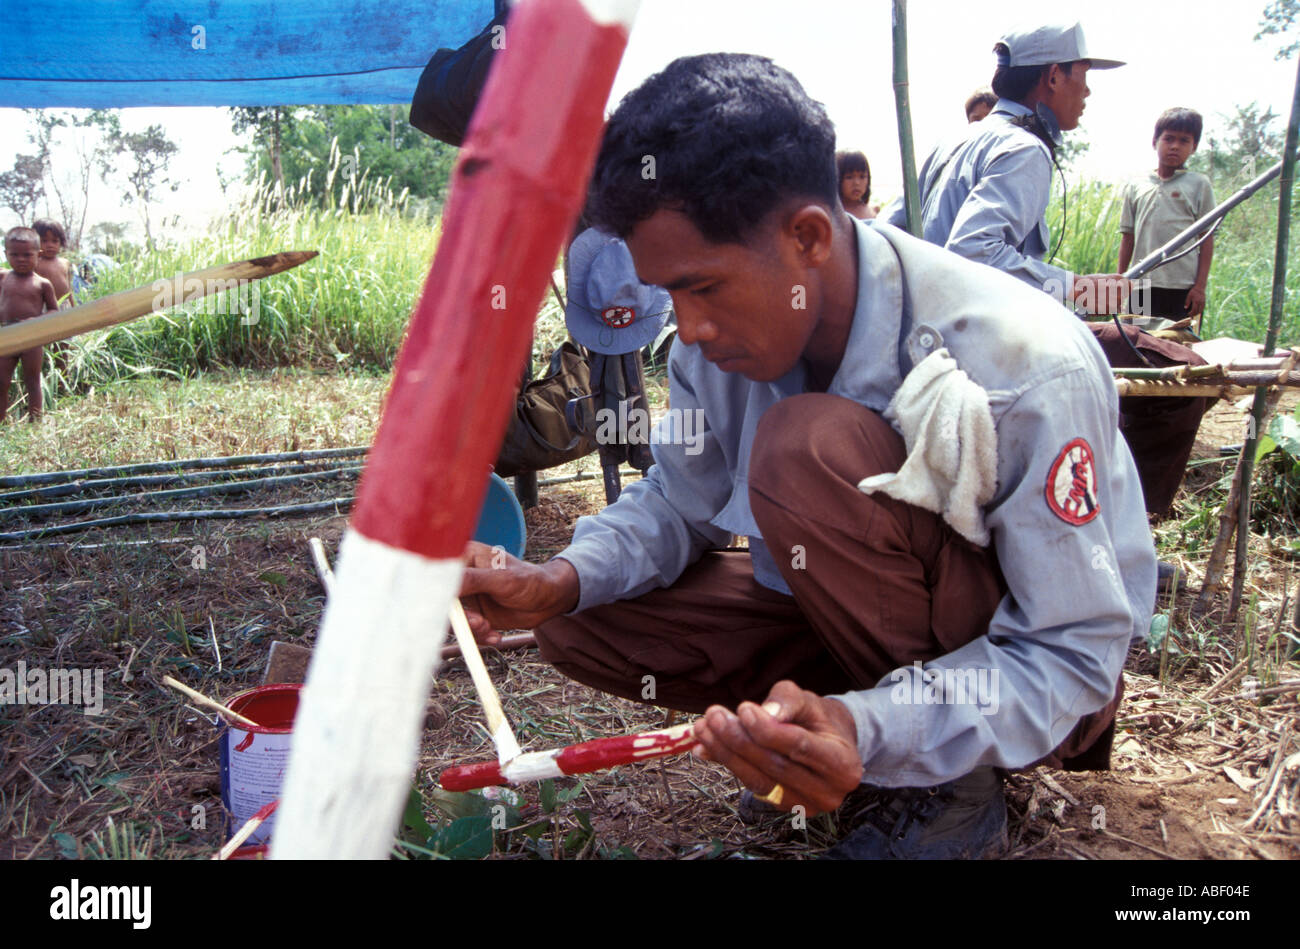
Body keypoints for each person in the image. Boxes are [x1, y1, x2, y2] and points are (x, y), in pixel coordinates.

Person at [459, 53, 1154, 860]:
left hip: (1026, 665)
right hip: (855, 621)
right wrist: (558, 579)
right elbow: (678, 501)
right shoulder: (709, 347)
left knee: (802, 450)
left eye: (703, 287)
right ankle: (820, 729)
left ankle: (938, 781)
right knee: (581, 619)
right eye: (668, 295)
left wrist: (876, 726)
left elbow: (1072, 651)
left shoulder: (1023, 360)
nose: (685, 329)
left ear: (808, 237)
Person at [892, 22, 1211, 533]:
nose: (1087, 91)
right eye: (1083, 74)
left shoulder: (955, 140)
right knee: (1178, 377)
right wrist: (1078, 288)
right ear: (1054, 76)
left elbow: (890, 231)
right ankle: (1123, 534)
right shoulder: (1024, 150)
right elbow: (974, 252)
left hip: (929, 331)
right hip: (985, 338)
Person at [1118, 109, 1215, 323]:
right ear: (1155, 141)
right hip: (1141, 283)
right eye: (1168, 138)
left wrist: (1199, 287)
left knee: (1176, 347)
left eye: (1184, 140)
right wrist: (1121, 281)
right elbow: (1128, 238)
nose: (1175, 146)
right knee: (1135, 343)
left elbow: (1206, 239)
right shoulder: (1136, 185)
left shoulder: (1199, 184)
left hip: (1181, 287)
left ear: (1194, 147)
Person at [0, 227, 59, 422]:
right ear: (6, 254)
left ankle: (36, 420)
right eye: (14, 254)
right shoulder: (3, 277)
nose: (21, 259)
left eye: (27, 254)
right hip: (7, 335)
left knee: (32, 380)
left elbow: (53, 311)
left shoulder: (42, 284)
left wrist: (36, 321)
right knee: (1, 381)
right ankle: (1, 421)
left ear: (38, 255)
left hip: (32, 337)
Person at [33, 218, 75, 373]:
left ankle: (63, 377)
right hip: (44, 309)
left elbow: (68, 288)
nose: (50, 245)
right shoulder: (35, 263)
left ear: (61, 243)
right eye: (44, 240)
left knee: (64, 346)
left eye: (54, 241)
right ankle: (45, 375)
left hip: (64, 307)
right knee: (44, 346)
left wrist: (74, 308)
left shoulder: (64, 262)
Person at [836, 150, 877, 220]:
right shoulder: (833, 213)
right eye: (849, 177)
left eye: (862, 177)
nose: (857, 183)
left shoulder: (872, 212)